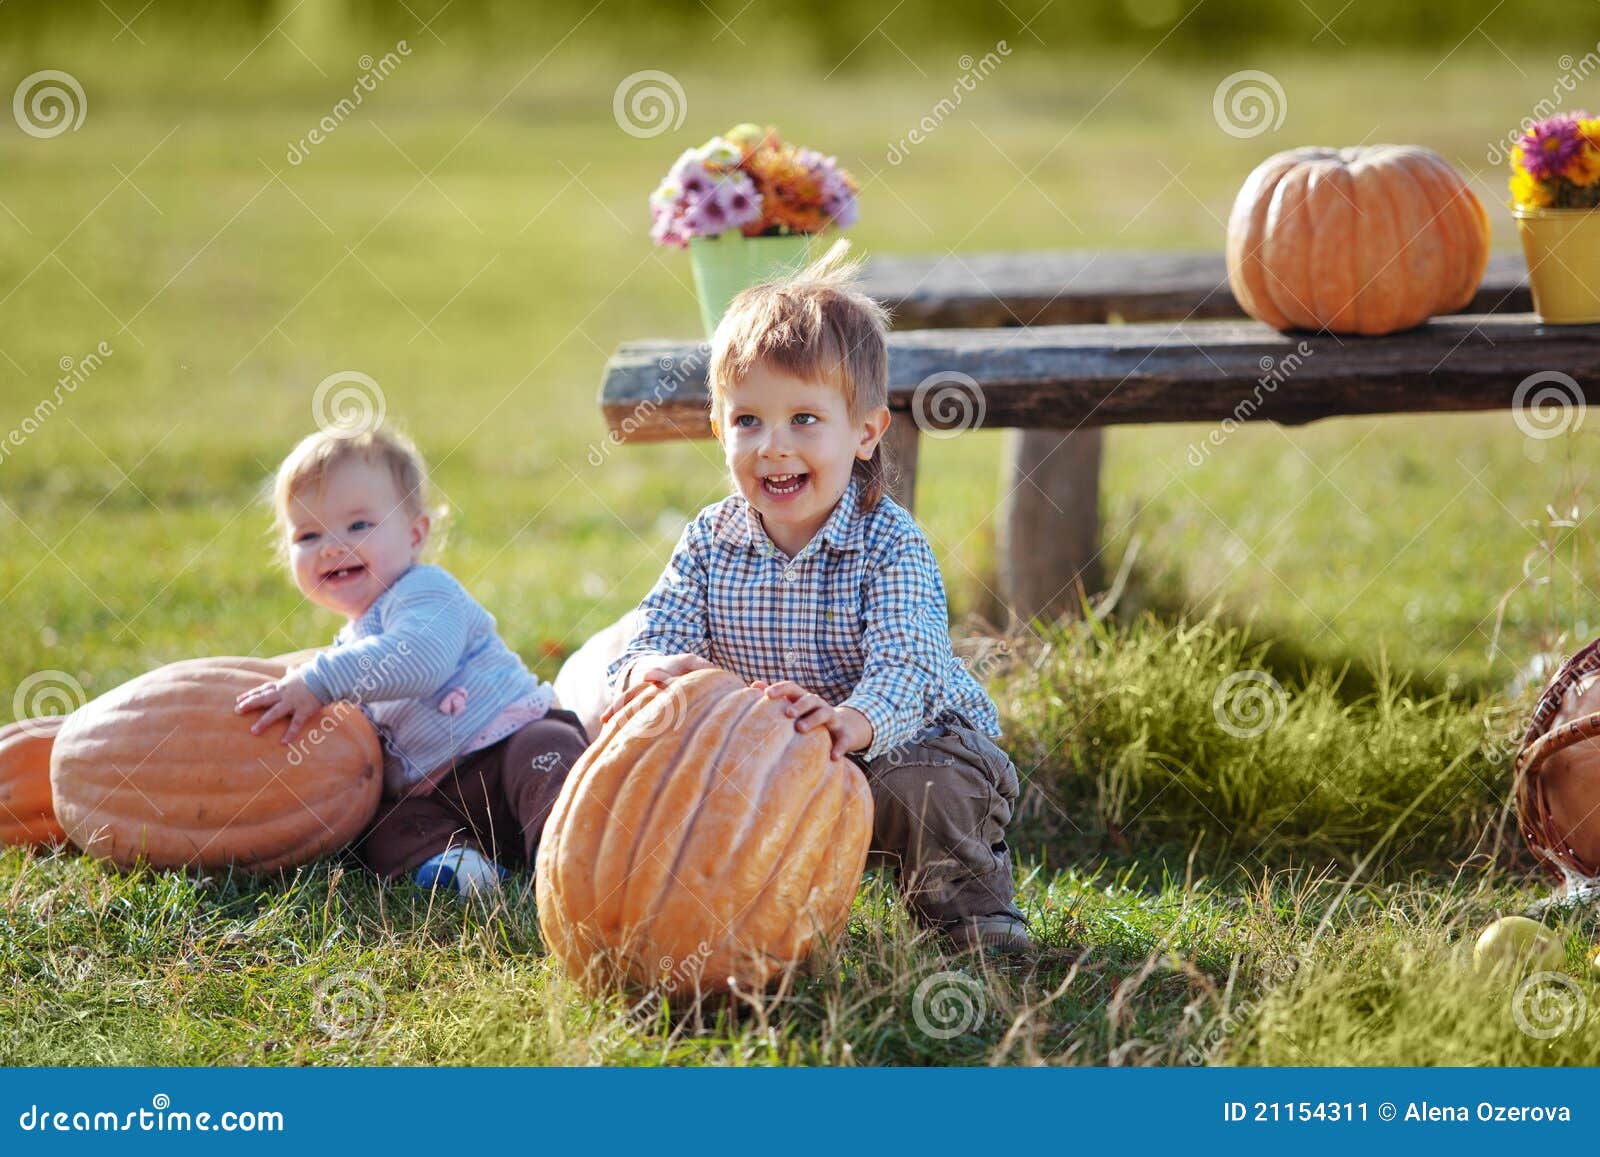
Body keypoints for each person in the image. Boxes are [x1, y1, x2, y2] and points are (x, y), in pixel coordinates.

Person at [605, 246, 1031, 954]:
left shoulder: (889, 544)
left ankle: (970, 915)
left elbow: (909, 667)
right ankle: (734, 917)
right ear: (719, 427)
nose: (774, 446)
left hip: (898, 746)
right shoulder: (710, 540)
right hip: (772, 762)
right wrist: (649, 671)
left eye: (805, 419)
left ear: (864, 432)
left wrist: (848, 722)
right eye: (748, 421)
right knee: (679, 760)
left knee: (925, 786)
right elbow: (658, 628)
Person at [236, 425, 588, 897]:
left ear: (415, 533)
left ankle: (568, 851)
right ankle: (459, 866)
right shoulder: (346, 650)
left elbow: (421, 659)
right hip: (434, 795)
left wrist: (318, 682)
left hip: (507, 745)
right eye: (308, 534)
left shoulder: (426, 591)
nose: (332, 547)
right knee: (374, 825)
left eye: (359, 525)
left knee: (547, 755)